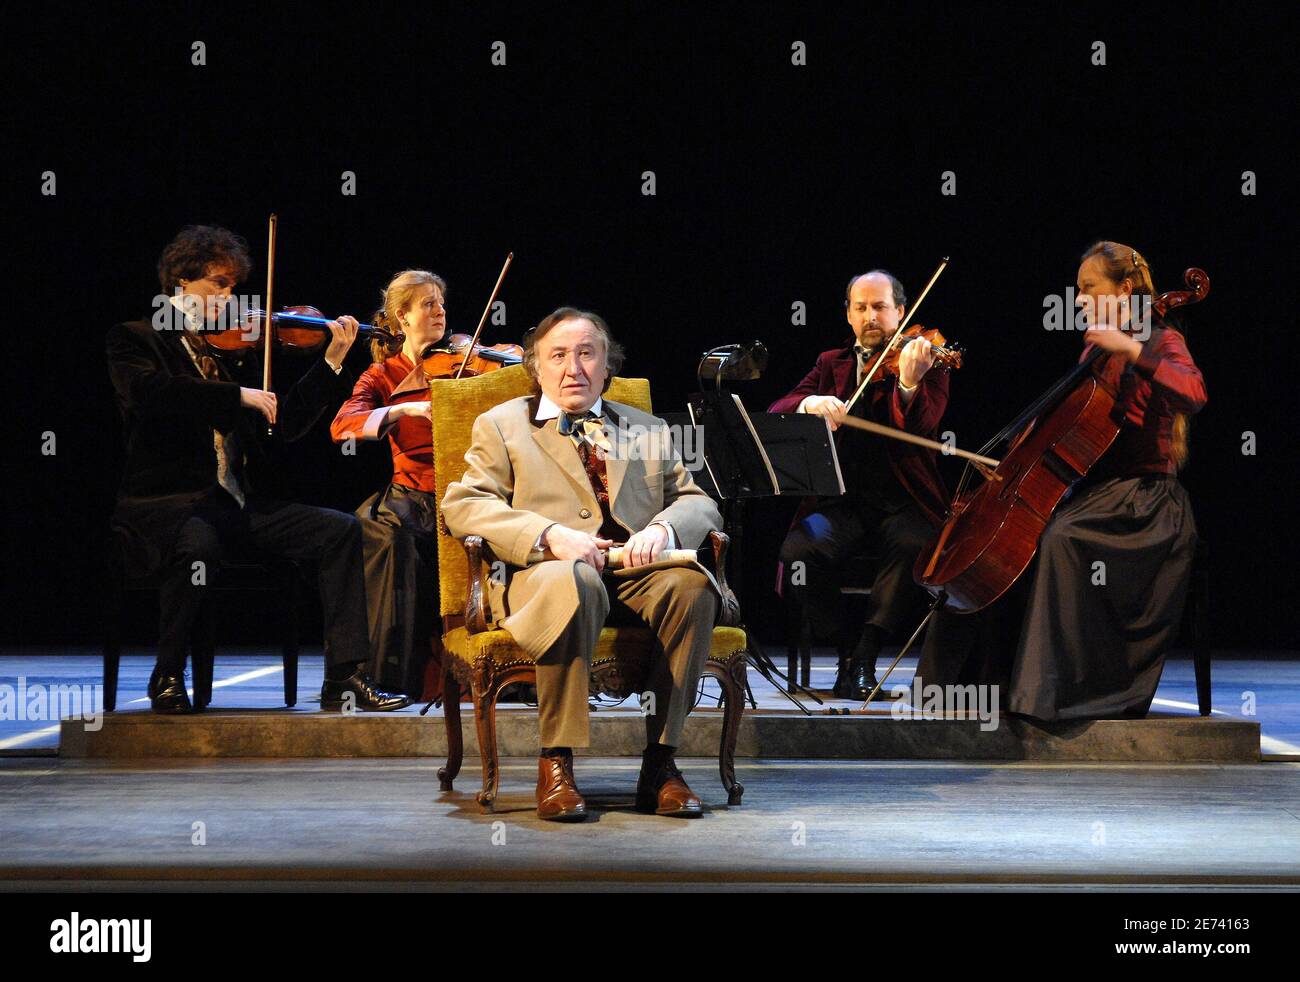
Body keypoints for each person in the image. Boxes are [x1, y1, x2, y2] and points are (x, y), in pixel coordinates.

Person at [106, 224, 409, 714]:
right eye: (218, 283)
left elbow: (282, 424)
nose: (231, 295)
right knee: (197, 544)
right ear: (182, 284)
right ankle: (167, 673)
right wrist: (237, 396)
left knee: (340, 530)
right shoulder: (137, 339)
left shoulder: (232, 358)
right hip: (167, 507)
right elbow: (151, 395)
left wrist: (332, 362)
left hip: (235, 506)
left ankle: (345, 678)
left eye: (233, 285)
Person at [441, 307, 722, 821]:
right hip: (543, 575)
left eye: (587, 353)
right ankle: (556, 760)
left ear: (606, 366)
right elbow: (464, 506)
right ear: (538, 368)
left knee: (691, 588)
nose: (575, 367)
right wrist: (548, 536)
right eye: (559, 355)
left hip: (633, 573)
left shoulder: (647, 427)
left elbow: (699, 502)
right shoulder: (502, 425)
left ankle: (661, 763)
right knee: (575, 582)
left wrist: (664, 528)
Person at [1007, 241, 1207, 720]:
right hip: (1102, 494)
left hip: (1147, 502)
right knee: (1020, 537)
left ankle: (1064, 695)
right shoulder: (1096, 348)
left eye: (1088, 288)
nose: (1078, 299)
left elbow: (1195, 393)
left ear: (1126, 287)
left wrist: (1134, 349)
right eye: (1077, 291)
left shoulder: (1159, 339)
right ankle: (1006, 685)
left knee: (1062, 537)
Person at [768, 270, 948, 699]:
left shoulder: (927, 359)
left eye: (880, 306)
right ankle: (846, 647)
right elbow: (779, 408)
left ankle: (866, 655)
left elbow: (925, 424)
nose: (871, 316)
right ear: (849, 315)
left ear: (901, 312)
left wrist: (908, 383)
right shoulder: (831, 363)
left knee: (912, 545)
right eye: (861, 307)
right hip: (840, 506)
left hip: (903, 501)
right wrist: (810, 402)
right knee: (798, 551)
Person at [330, 270, 447, 700]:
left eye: (441, 302)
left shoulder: (466, 363)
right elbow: (343, 424)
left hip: (468, 494)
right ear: (402, 316)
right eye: (428, 304)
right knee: (394, 542)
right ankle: (394, 675)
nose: (440, 311)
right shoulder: (383, 374)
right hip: (412, 495)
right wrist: (404, 410)